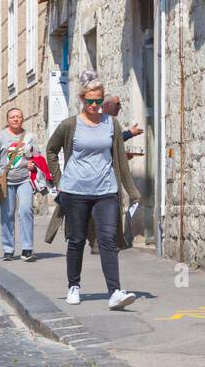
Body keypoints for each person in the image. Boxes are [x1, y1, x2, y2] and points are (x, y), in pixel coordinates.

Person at [45, 72, 142, 310]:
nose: (95, 105)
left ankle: (115, 292)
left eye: (99, 101)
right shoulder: (70, 125)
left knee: (108, 239)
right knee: (76, 239)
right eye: (90, 101)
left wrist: (132, 192)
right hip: (75, 192)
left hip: (106, 191)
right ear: (82, 99)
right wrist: (60, 182)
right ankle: (74, 286)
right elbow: (50, 151)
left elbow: (120, 161)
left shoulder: (112, 124)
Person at [0, 107, 37, 262]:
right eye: (12, 117)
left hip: (24, 179)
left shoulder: (29, 137)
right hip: (6, 181)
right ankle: (8, 249)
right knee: (8, 214)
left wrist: (32, 164)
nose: (16, 119)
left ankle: (27, 249)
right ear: (8, 120)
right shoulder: (0, 137)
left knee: (26, 210)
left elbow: (37, 156)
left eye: (19, 116)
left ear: (23, 119)